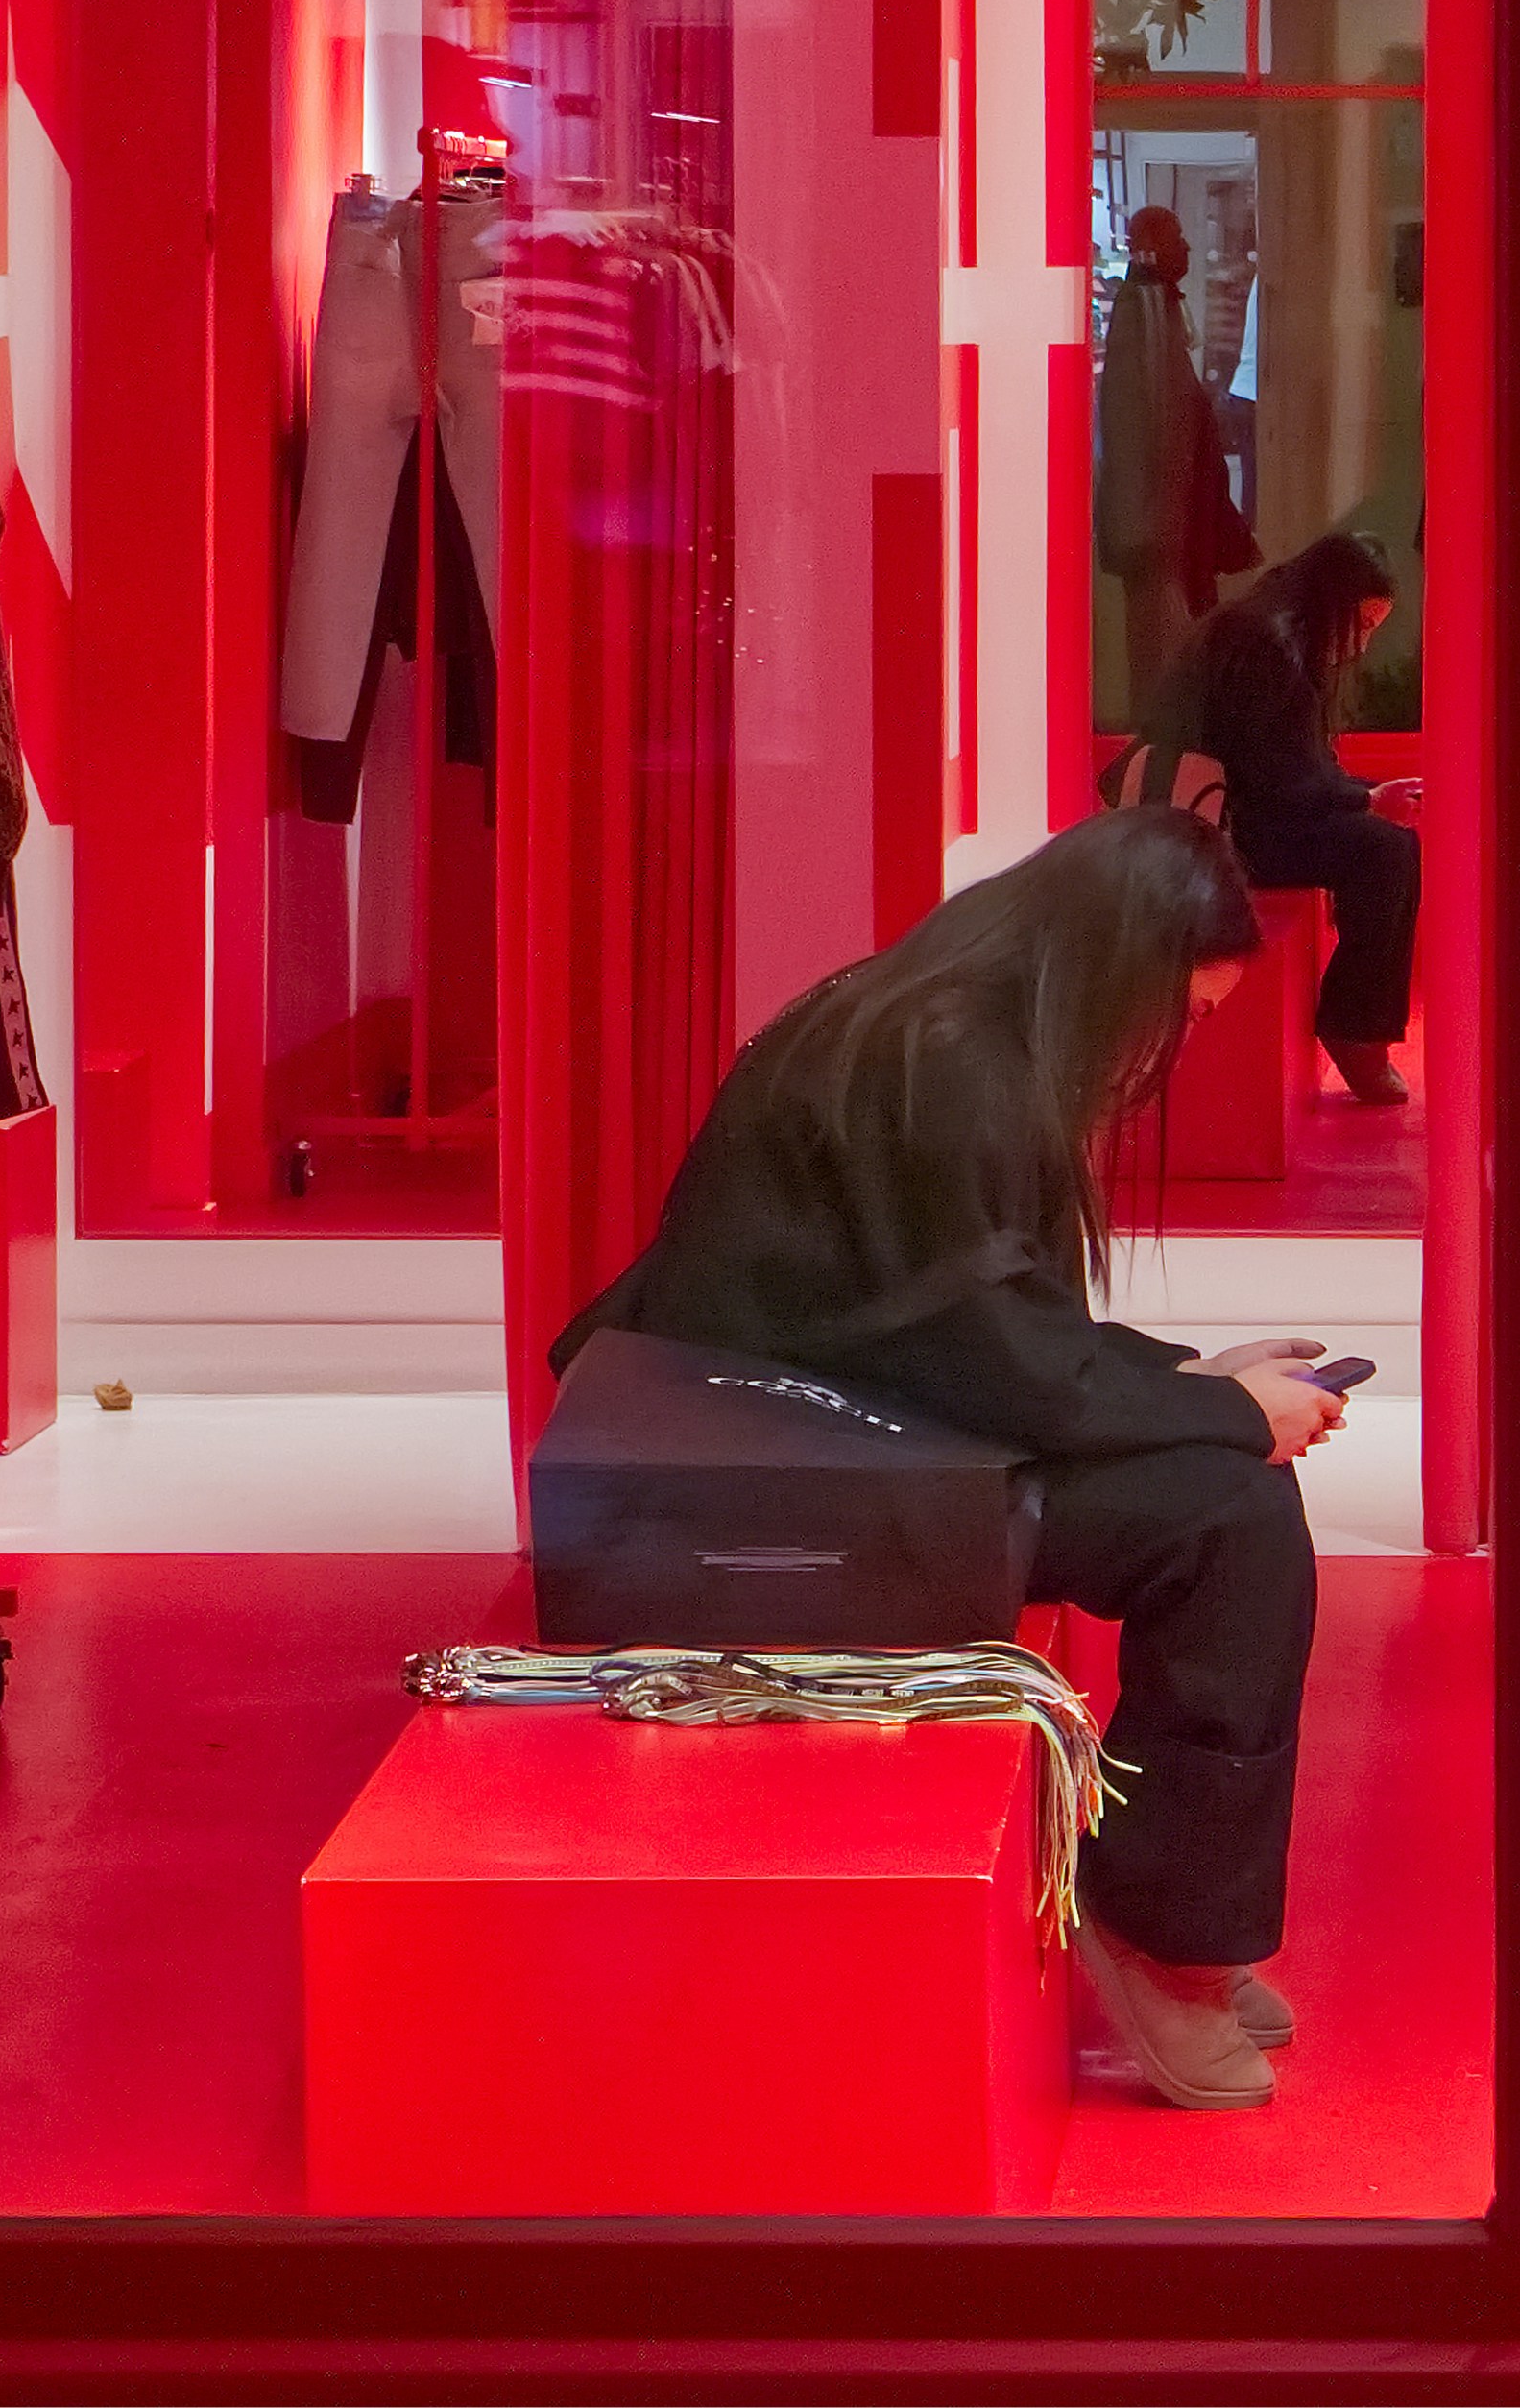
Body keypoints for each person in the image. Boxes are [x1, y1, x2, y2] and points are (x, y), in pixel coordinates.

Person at [573, 807, 1345, 2114]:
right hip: (781, 1484)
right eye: (1188, 1018)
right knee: (1229, 1520)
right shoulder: (952, 1068)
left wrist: (1181, 1381)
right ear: (1123, 974)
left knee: (1225, 1479)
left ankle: (1165, 1899)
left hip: (817, 1420)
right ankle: (1166, 1932)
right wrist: (1217, 1415)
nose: (1172, 1057)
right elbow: (993, 1360)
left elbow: (966, 1328)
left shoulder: (934, 1023)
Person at [1178, 535, 1422, 1105]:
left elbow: (1294, 771)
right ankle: (1357, 1027)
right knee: (1386, 853)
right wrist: (1365, 799)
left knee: (1386, 842)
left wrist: (1365, 794)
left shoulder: (1273, 634)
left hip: (1244, 812)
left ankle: (1358, 1024)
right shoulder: (1269, 648)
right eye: (1360, 626)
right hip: (1234, 827)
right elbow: (1282, 782)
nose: (1360, 645)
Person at [1095, 209, 1257, 719]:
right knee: (1165, 650)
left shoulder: (1153, 307)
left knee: (1176, 644)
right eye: (1178, 240)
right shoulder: (1143, 309)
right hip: (1163, 524)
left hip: (1174, 520)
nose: (1186, 251)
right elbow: (1148, 425)